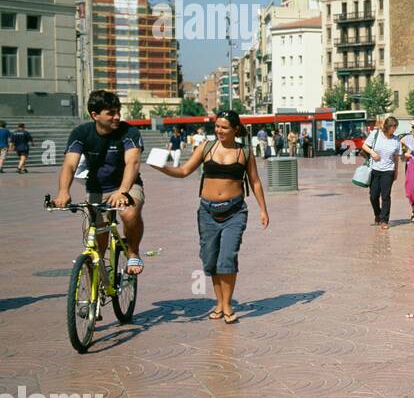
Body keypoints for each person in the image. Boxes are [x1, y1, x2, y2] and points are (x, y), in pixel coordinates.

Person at [152, 110, 269, 324]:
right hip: (207, 212)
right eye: (217, 126)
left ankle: (227, 305)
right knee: (211, 258)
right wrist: (163, 169)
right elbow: (184, 171)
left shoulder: (245, 151)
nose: (219, 131)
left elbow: (255, 181)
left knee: (227, 257)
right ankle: (219, 303)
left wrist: (263, 209)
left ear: (235, 129)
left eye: (224, 127)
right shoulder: (205, 147)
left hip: (235, 212)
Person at [53, 90, 147, 276]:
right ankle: (98, 280)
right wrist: (63, 191)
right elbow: (70, 164)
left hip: (127, 185)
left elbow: (133, 162)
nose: (117, 116)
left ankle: (133, 252)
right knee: (97, 237)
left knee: (129, 213)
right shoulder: (81, 133)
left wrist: (123, 191)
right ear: (95, 115)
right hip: (97, 188)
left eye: (118, 111)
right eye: (111, 113)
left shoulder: (129, 132)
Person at [360, 116, 401, 231]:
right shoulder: (376, 134)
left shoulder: (396, 140)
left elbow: (396, 157)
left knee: (386, 196)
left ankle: (384, 220)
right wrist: (372, 153)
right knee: (373, 196)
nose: (394, 129)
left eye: (395, 127)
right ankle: (377, 213)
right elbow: (364, 146)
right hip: (375, 170)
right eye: (393, 127)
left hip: (388, 171)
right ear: (387, 126)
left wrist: (396, 171)